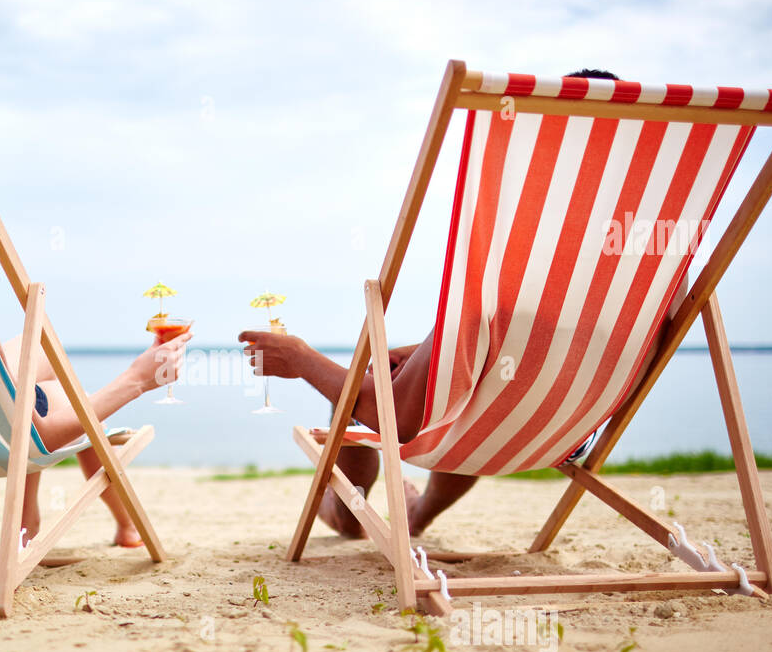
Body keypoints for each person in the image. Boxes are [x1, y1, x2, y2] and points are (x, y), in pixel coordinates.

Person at [241, 68, 620, 539]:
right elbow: (534, 338)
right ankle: (420, 516)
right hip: (561, 435)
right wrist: (428, 351)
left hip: (474, 426)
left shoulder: (514, 249)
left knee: (372, 388)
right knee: (479, 393)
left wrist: (300, 359)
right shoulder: (655, 250)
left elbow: (391, 418)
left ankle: (346, 516)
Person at [2, 328, 191, 547]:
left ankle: (26, 524)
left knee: (38, 346)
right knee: (91, 419)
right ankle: (127, 526)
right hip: (12, 426)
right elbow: (42, 438)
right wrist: (137, 379)